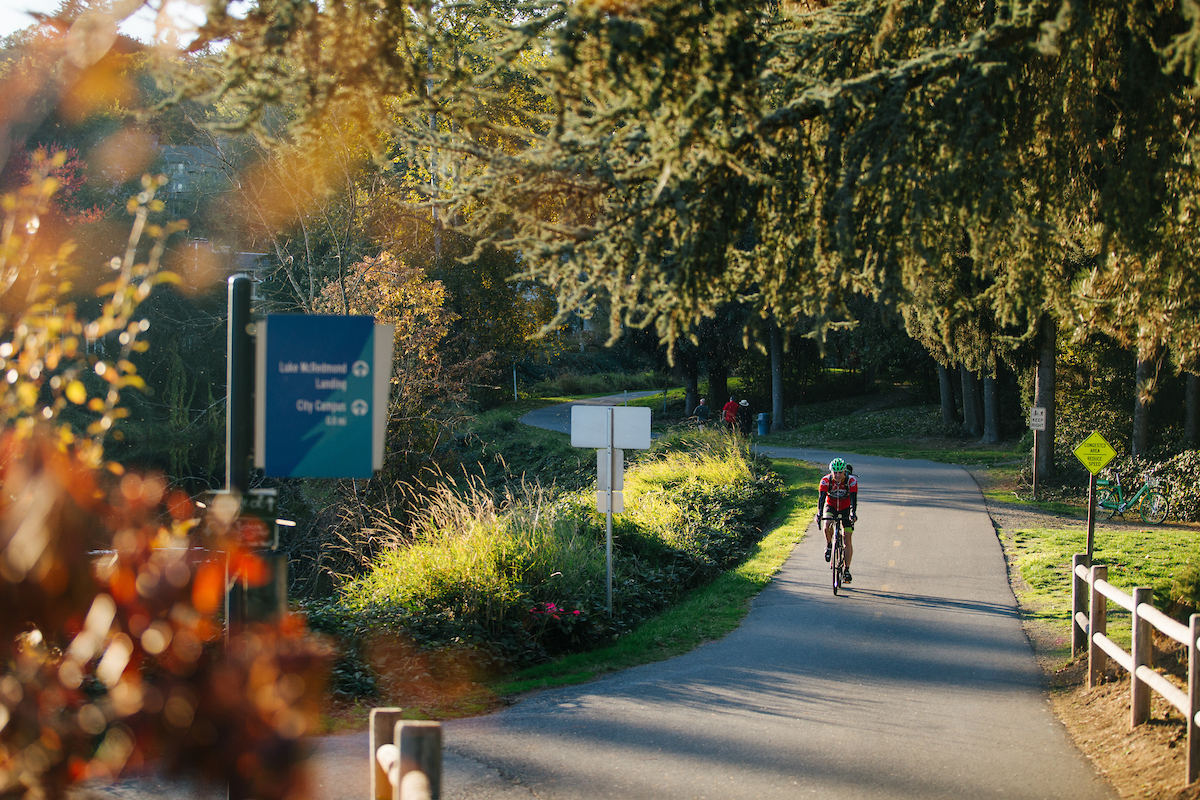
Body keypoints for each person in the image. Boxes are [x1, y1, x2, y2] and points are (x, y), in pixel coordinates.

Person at [818, 457, 858, 583]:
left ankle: (846, 569)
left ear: (844, 471)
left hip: (846, 508)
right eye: (835, 472)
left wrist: (853, 513)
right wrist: (819, 514)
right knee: (827, 524)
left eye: (840, 472)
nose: (837, 475)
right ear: (831, 472)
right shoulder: (825, 481)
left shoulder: (851, 481)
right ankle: (829, 545)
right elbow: (821, 499)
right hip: (832, 506)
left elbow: (853, 499)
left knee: (847, 538)